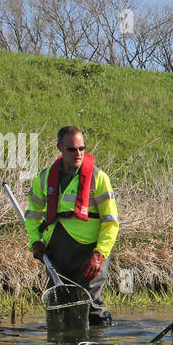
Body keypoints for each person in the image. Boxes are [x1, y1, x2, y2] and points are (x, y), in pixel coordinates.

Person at [25, 126, 119, 327]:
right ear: (60, 147)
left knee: (92, 309)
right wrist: (35, 241)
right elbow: (33, 215)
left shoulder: (98, 178)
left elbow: (111, 222)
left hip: (89, 253)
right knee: (60, 310)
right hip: (57, 252)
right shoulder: (44, 178)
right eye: (72, 149)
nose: (78, 154)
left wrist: (99, 254)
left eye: (82, 148)